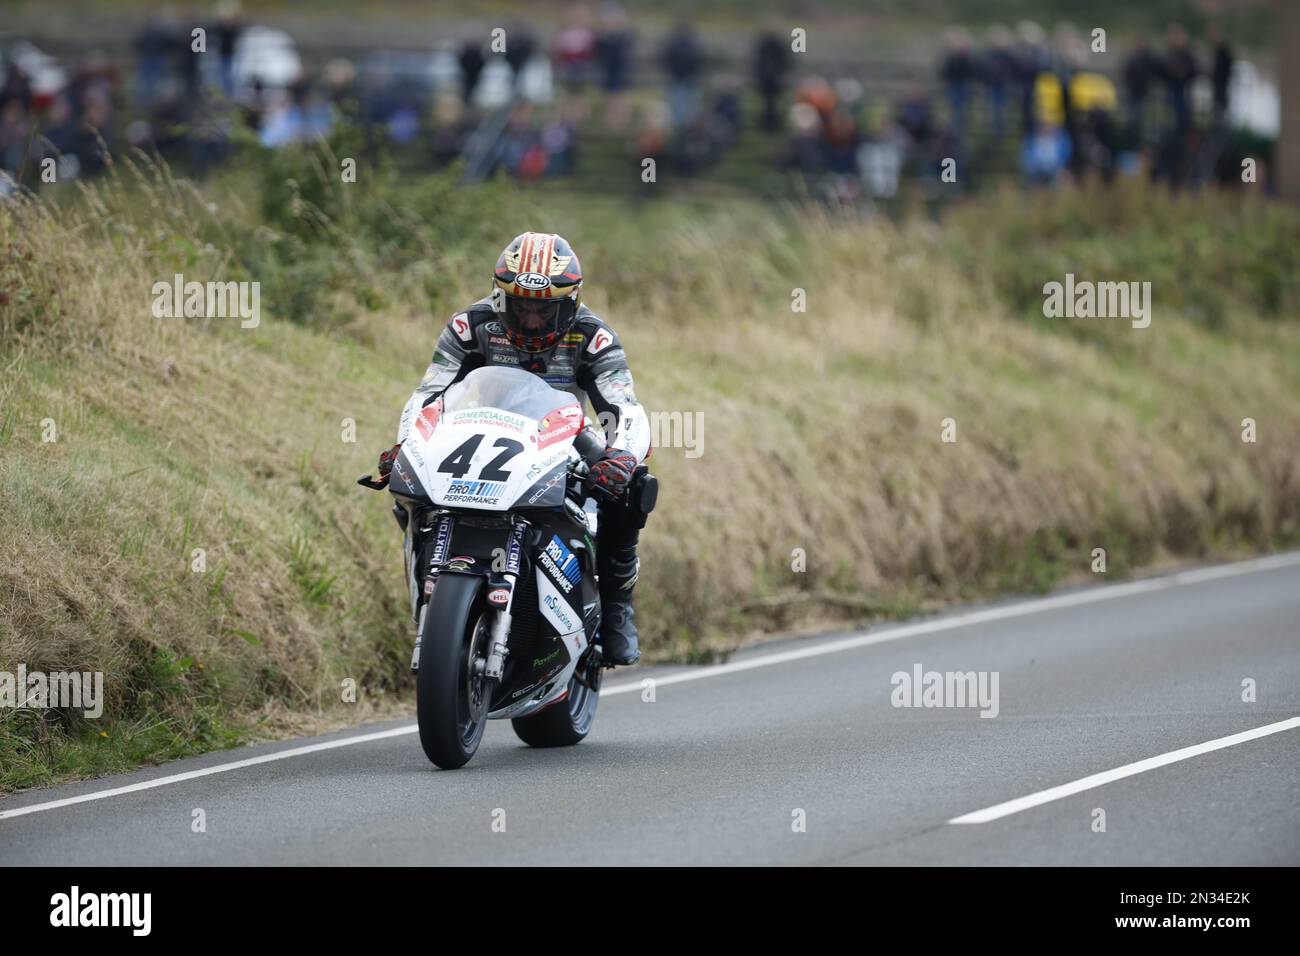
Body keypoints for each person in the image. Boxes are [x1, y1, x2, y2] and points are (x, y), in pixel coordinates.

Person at [380, 233, 652, 665]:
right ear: (499, 295)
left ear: (569, 304)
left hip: (563, 439)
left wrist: (621, 457)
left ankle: (617, 604)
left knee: (631, 488)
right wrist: (406, 444)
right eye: (519, 305)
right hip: (475, 436)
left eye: (544, 309)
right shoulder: (469, 326)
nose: (530, 320)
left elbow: (624, 406)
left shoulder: (594, 337)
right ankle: (431, 581)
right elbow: (429, 393)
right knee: (408, 485)